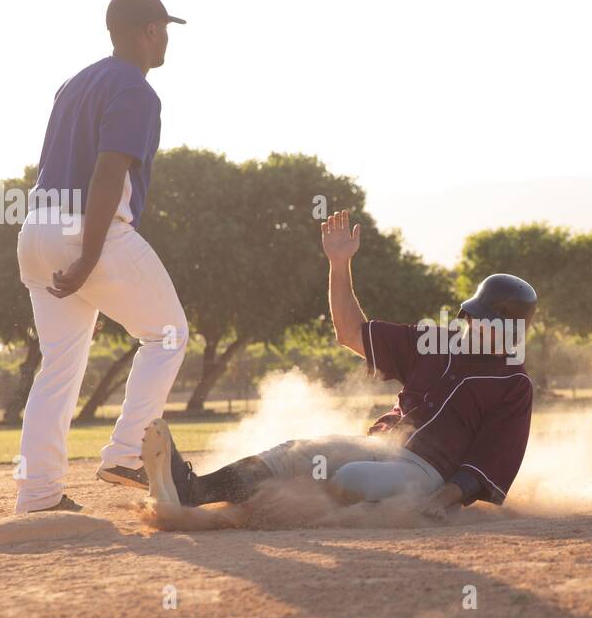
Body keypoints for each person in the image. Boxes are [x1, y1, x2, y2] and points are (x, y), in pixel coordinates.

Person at [141, 210, 535, 522]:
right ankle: (195, 493)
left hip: (425, 471)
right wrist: (339, 263)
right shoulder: (434, 340)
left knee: (347, 480)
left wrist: (441, 499)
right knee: (293, 454)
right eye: (476, 317)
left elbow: (488, 460)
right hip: (377, 444)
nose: (477, 325)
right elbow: (351, 333)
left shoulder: (513, 384)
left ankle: (252, 516)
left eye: (491, 323)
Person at [14, 0, 189, 513]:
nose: (166, 40)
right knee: (168, 333)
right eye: (164, 29)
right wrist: (90, 255)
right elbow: (109, 172)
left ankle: (39, 494)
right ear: (148, 31)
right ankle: (128, 453)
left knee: (58, 367)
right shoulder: (136, 89)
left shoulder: (75, 83)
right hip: (88, 229)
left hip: (36, 228)